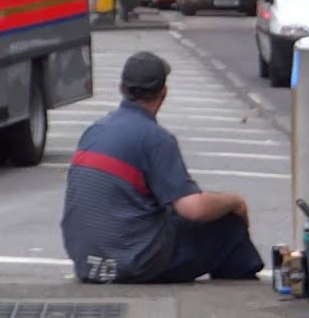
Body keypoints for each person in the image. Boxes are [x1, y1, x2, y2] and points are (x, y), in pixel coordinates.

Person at [60, 51, 264, 284]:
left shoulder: (94, 130)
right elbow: (193, 209)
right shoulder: (155, 138)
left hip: (86, 261)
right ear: (163, 92)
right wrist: (234, 202)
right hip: (132, 263)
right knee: (227, 226)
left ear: (122, 88)